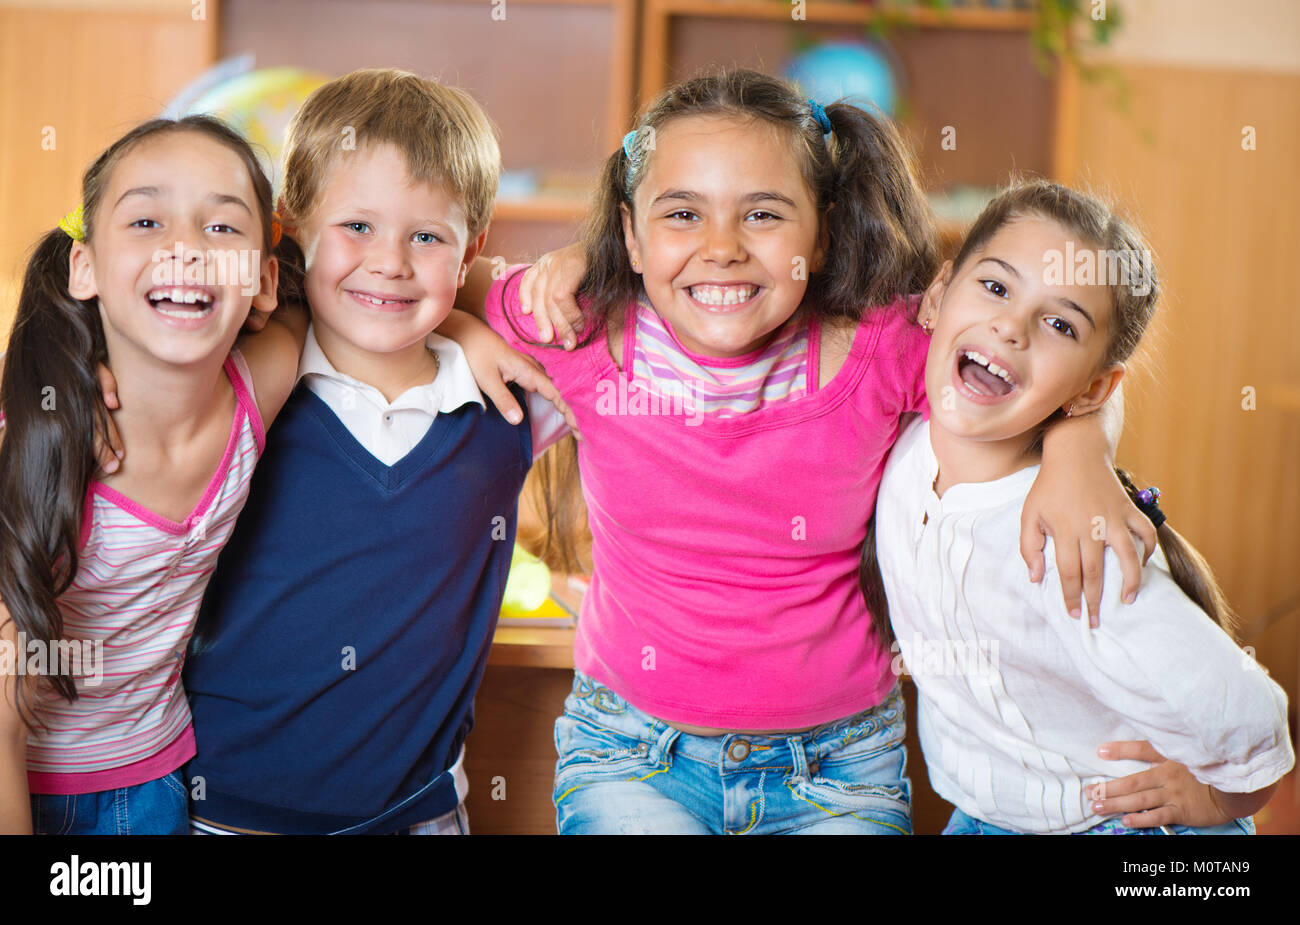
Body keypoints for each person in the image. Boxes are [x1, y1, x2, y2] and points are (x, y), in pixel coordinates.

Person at [455, 69, 1157, 833]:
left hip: (839, 765)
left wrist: (1081, 453)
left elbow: (1046, 375)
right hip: (630, 753)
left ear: (821, 235)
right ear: (630, 233)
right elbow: (427, 280)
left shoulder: (884, 345)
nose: (721, 249)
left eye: (762, 214)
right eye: (682, 213)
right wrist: (474, 318)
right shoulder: (579, 326)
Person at [180, 68, 574, 835]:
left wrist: (491, 307)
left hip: (416, 814)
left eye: (427, 236)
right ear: (290, 228)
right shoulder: (246, 385)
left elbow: (639, 314)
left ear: (471, 253)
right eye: (357, 227)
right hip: (222, 814)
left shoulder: (510, 398)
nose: (390, 261)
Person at [871, 179, 1294, 834]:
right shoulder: (896, 436)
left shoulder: (1068, 546)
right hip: (987, 814)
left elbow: (1250, 713)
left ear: (1093, 387)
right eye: (996, 287)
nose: (1011, 326)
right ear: (937, 294)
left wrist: (1220, 799)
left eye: (1060, 323)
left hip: (1115, 823)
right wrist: (1083, 446)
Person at [0, 115, 305, 834]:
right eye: (145, 220)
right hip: (32, 794)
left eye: (223, 228)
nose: (183, 248)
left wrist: (477, 327)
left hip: (161, 781)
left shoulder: (257, 387)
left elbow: (354, 282)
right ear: (85, 268)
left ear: (262, 280)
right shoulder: (41, 452)